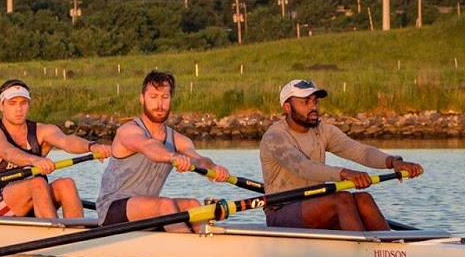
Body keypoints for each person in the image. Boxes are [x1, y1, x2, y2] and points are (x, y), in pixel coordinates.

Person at [258, 78, 424, 231]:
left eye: (315, 102)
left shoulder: (323, 131)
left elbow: (360, 151)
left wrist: (394, 162)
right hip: (281, 210)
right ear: (287, 107)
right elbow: (304, 167)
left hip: (316, 204)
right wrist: (344, 174)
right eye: (305, 102)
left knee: (364, 199)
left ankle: (390, 249)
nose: (313, 107)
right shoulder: (275, 137)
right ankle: (363, 253)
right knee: (342, 199)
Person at [95, 70, 230, 231]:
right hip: (112, 209)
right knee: (165, 205)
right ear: (142, 99)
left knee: (193, 205)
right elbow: (149, 147)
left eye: (164, 97)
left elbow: (198, 159)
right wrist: (172, 156)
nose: (159, 104)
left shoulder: (179, 139)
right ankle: (190, 250)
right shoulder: (129, 131)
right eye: (153, 97)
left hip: (146, 208)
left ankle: (207, 247)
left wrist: (213, 168)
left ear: (170, 99)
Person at [0, 79, 110, 219]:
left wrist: (92, 146)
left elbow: (66, 141)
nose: (18, 109)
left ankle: (77, 233)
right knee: (38, 182)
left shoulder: (41, 130)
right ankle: (51, 234)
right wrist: (35, 160)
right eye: (12, 103)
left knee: (66, 184)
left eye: (23, 103)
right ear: (1, 106)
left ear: (29, 104)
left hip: (32, 199)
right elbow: (7, 152)